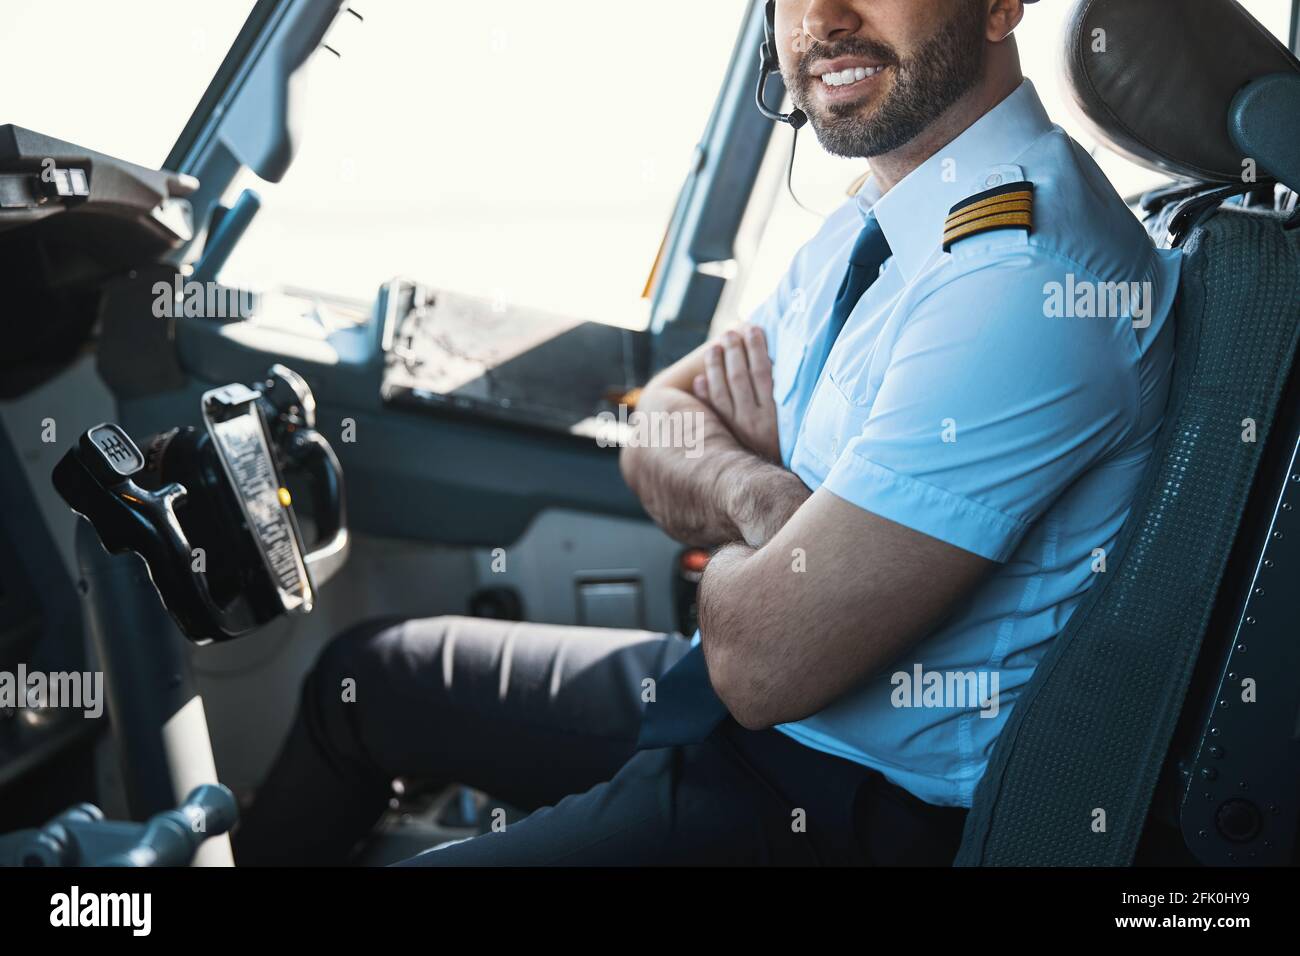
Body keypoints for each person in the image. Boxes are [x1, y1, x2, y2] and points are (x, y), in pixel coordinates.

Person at [234, 0, 1179, 866]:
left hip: (838, 799)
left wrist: (750, 546)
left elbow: (761, 664)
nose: (823, 20)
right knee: (368, 680)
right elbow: (658, 421)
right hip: (733, 708)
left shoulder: (1017, 278)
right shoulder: (887, 210)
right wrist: (764, 495)